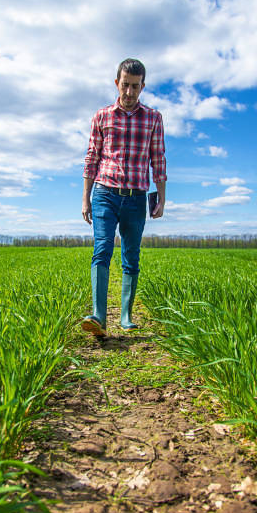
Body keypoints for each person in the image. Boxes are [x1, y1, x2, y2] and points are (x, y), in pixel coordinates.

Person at [81, 58, 167, 336]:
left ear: (143, 86)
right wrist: (85, 198)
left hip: (136, 197)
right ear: (117, 83)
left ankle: (126, 315)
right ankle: (99, 317)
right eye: (125, 86)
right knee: (102, 248)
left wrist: (161, 199)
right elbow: (92, 157)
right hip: (104, 193)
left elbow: (158, 160)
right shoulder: (102, 116)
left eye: (135, 87)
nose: (129, 93)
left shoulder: (153, 118)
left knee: (131, 255)